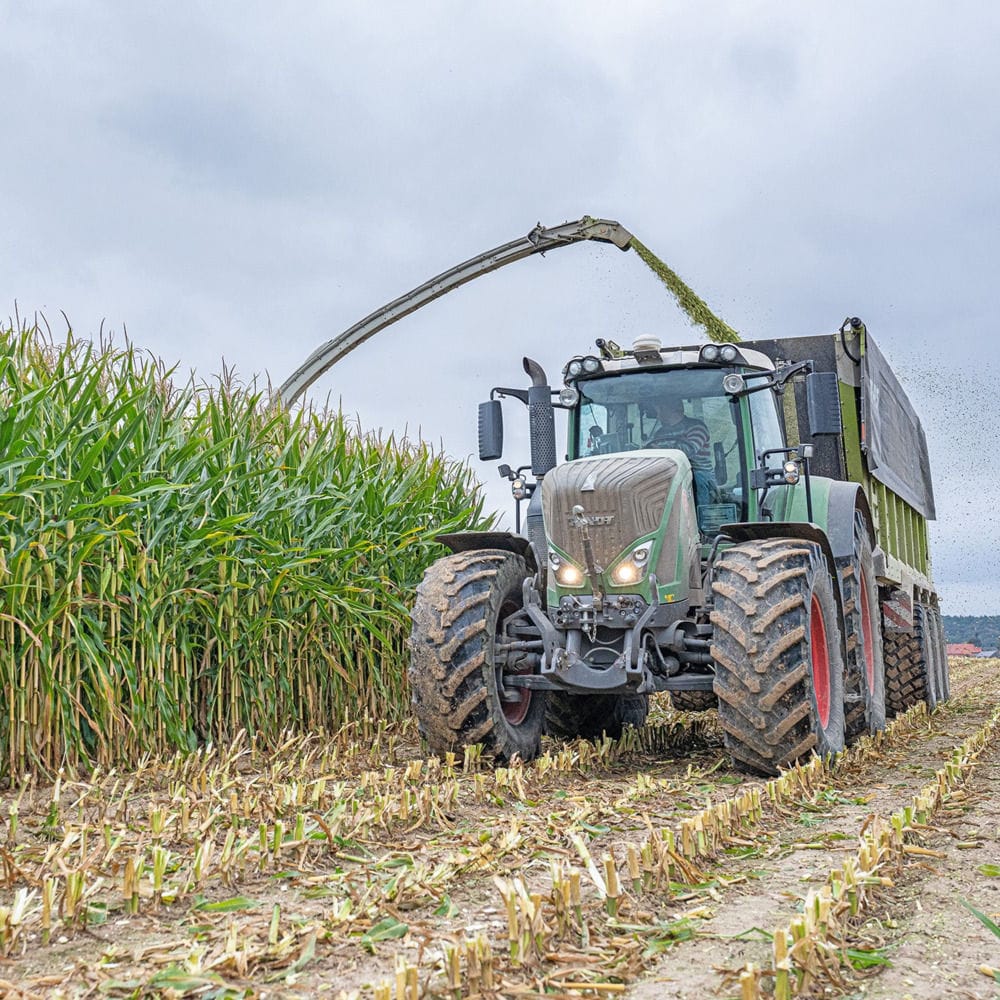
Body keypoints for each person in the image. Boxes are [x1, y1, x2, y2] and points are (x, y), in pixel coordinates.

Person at [642, 398, 717, 504]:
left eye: (658, 410)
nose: (657, 415)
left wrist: (660, 450)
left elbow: (687, 451)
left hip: (698, 473)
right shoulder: (660, 433)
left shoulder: (697, 427)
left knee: (697, 477)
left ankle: (700, 511)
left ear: (668, 409)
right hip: (670, 474)